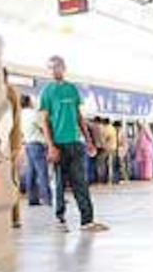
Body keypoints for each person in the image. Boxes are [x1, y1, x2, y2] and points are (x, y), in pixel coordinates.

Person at [38, 56, 107, 232]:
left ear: (63, 68)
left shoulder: (72, 89)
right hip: (58, 144)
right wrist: (51, 145)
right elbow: (44, 121)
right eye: (50, 68)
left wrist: (89, 140)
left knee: (80, 183)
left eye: (57, 67)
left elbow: (78, 117)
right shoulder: (46, 92)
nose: (54, 70)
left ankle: (87, 221)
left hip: (75, 144)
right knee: (59, 183)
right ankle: (59, 219)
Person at [20, 93, 51, 206]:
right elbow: (43, 127)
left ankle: (32, 199)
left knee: (31, 173)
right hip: (37, 145)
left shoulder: (20, 115)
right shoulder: (33, 114)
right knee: (42, 173)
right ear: (29, 102)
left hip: (27, 144)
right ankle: (47, 199)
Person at [5, 70, 23, 228]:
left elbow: (15, 120)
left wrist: (16, 146)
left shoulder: (8, 90)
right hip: (7, 143)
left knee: (10, 179)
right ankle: (12, 217)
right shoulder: (10, 90)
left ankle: (14, 217)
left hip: (7, 143)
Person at [101, 118, 119, 184]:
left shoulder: (106, 129)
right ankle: (114, 179)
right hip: (114, 147)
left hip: (107, 148)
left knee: (107, 164)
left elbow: (105, 138)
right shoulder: (113, 128)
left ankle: (108, 179)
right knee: (112, 164)